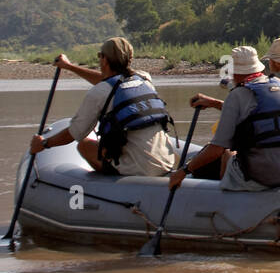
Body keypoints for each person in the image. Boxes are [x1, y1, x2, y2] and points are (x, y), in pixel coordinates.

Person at [168, 45, 280, 191]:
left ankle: (224, 202)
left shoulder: (237, 95)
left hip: (262, 178)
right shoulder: (279, 84)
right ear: (259, 69)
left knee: (227, 154)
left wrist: (183, 171)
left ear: (235, 73)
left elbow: (216, 149)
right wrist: (213, 103)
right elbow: (255, 112)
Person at [29, 38, 177, 176]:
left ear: (104, 60)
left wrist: (43, 143)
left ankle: (109, 185)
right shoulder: (145, 79)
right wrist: (69, 67)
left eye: (100, 56)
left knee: (85, 145)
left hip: (138, 169)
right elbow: (111, 81)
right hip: (166, 162)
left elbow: (73, 134)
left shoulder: (99, 92)